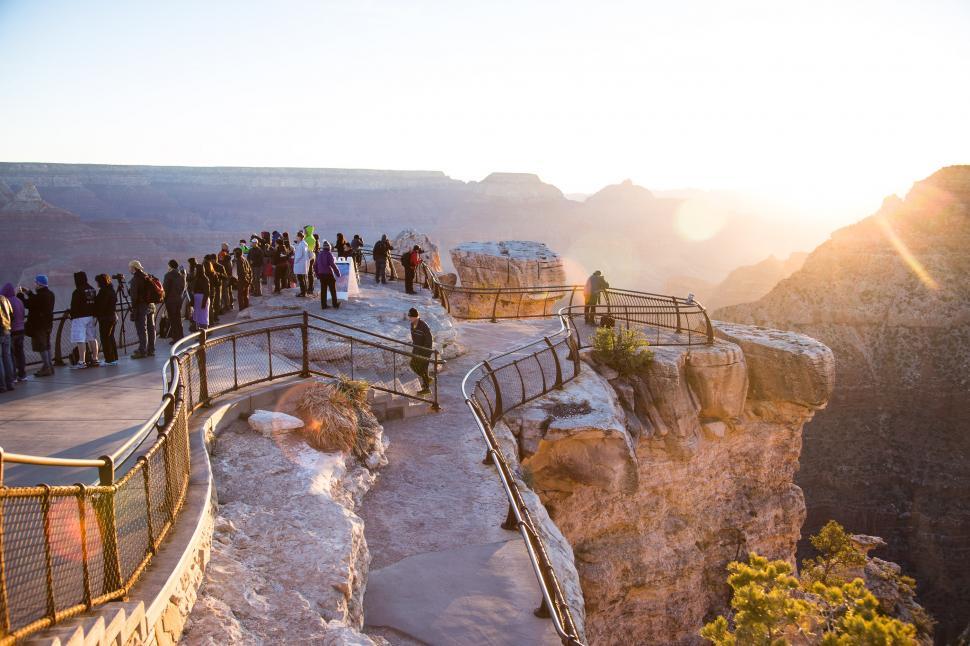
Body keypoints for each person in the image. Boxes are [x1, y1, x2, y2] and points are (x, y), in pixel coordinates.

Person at [20, 275, 55, 376]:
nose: (34, 284)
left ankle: (47, 367)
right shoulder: (50, 294)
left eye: (35, 283)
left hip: (39, 326)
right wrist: (29, 293)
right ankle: (49, 366)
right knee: (47, 346)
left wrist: (20, 295)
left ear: (39, 284)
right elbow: (35, 302)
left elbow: (27, 304)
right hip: (48, 324)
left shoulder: (40, 296)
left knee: (42, 347)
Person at [69, 271, 99, 368]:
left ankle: (82, 361)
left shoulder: (77, 291)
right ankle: (95, 359)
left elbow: (74, 306)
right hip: (91, 317)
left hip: (79, 318)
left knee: (80, 339)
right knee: (92, 338)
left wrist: (71, 315)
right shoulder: (92, 289)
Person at [129, 260, 157, 359]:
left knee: (142, 329)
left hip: (141, 307)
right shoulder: (147, 276)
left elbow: (134, 296)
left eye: (130, 267)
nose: (129, 269)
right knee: (151, 328)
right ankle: (151, 349)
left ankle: (142, 350)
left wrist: (134, 308)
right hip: (151, 305)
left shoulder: (136, 279)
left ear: (134, 268)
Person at [1, 283, 27, 381]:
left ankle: (13, 376)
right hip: (21, 330)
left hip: (12, 331)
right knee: (20, 352)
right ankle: (22, 374)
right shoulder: (19, 301)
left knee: (10, 354)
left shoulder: (7, 302)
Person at [407, 307, 434, 394]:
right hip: (416, 350)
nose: (409, 318)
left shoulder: (424, 326)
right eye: (409, 316)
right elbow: (414, 339)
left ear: (416, 317)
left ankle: (426, 389)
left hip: (425, 351)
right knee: (413, 365)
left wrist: (424, 352)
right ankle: (427, 379)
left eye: (411, 317)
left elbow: (429, 340)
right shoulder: (412, 325)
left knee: (423, 368)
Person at [94, 274, 119, 365]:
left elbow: (101, 306)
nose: (97, 284)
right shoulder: (111, 290)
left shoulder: (103, 291)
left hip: (105, 318)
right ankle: (114, 357)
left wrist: (96, 312)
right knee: (111, 337)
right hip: (113, 316)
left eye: (97, 282)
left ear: (101, 282)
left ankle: (109, 359)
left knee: (105, 338)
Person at [163, 260, 186, 342]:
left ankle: (175, 338)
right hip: (179, 300)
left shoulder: (168, 275)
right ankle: (181, 336)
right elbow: (183, 287)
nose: (167, 267)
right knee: (178, 318)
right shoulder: (181, 275)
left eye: (168, 265)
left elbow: (165, 289)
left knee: (172, 320)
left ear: (170, 266)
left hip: (170, 301)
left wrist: (164, 299)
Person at [314, 240, 341, 309]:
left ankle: (323, 305)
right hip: (328, 274)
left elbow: (315, 265)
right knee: (332, 290)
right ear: (329, 248)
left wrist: (317, 274)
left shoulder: (319, 254)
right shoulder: (329, 254)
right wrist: (337, 273)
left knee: (323, 290)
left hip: (321, 274)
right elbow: (332, 264)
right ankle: (335, 304)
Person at [0, 292, 15, 392]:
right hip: (7, 331)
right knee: (7, 357)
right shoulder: (4, 299)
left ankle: (2, 385)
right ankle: (10, 383)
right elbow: (11, 314)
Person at [193, 262, 213, 330]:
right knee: (199, 318)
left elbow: (207, 292)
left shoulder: (205, 279)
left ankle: (204, 335)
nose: (195, 271)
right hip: (198, 300)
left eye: (196, 270)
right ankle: (200, 334)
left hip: (202, 300)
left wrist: (203, 303)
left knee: (203, 318)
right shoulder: (197, 278)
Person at [292, 231, 311, 297]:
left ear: (299, 237)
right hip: (304, 264)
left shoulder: (301, 245)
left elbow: (299, 255)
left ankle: (303, 292)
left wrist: (295, 261)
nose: (296, 238)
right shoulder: (304, 244)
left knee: (301, 279)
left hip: (300, 264)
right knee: (304, 279)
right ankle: (304, 291)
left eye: (297, 237)